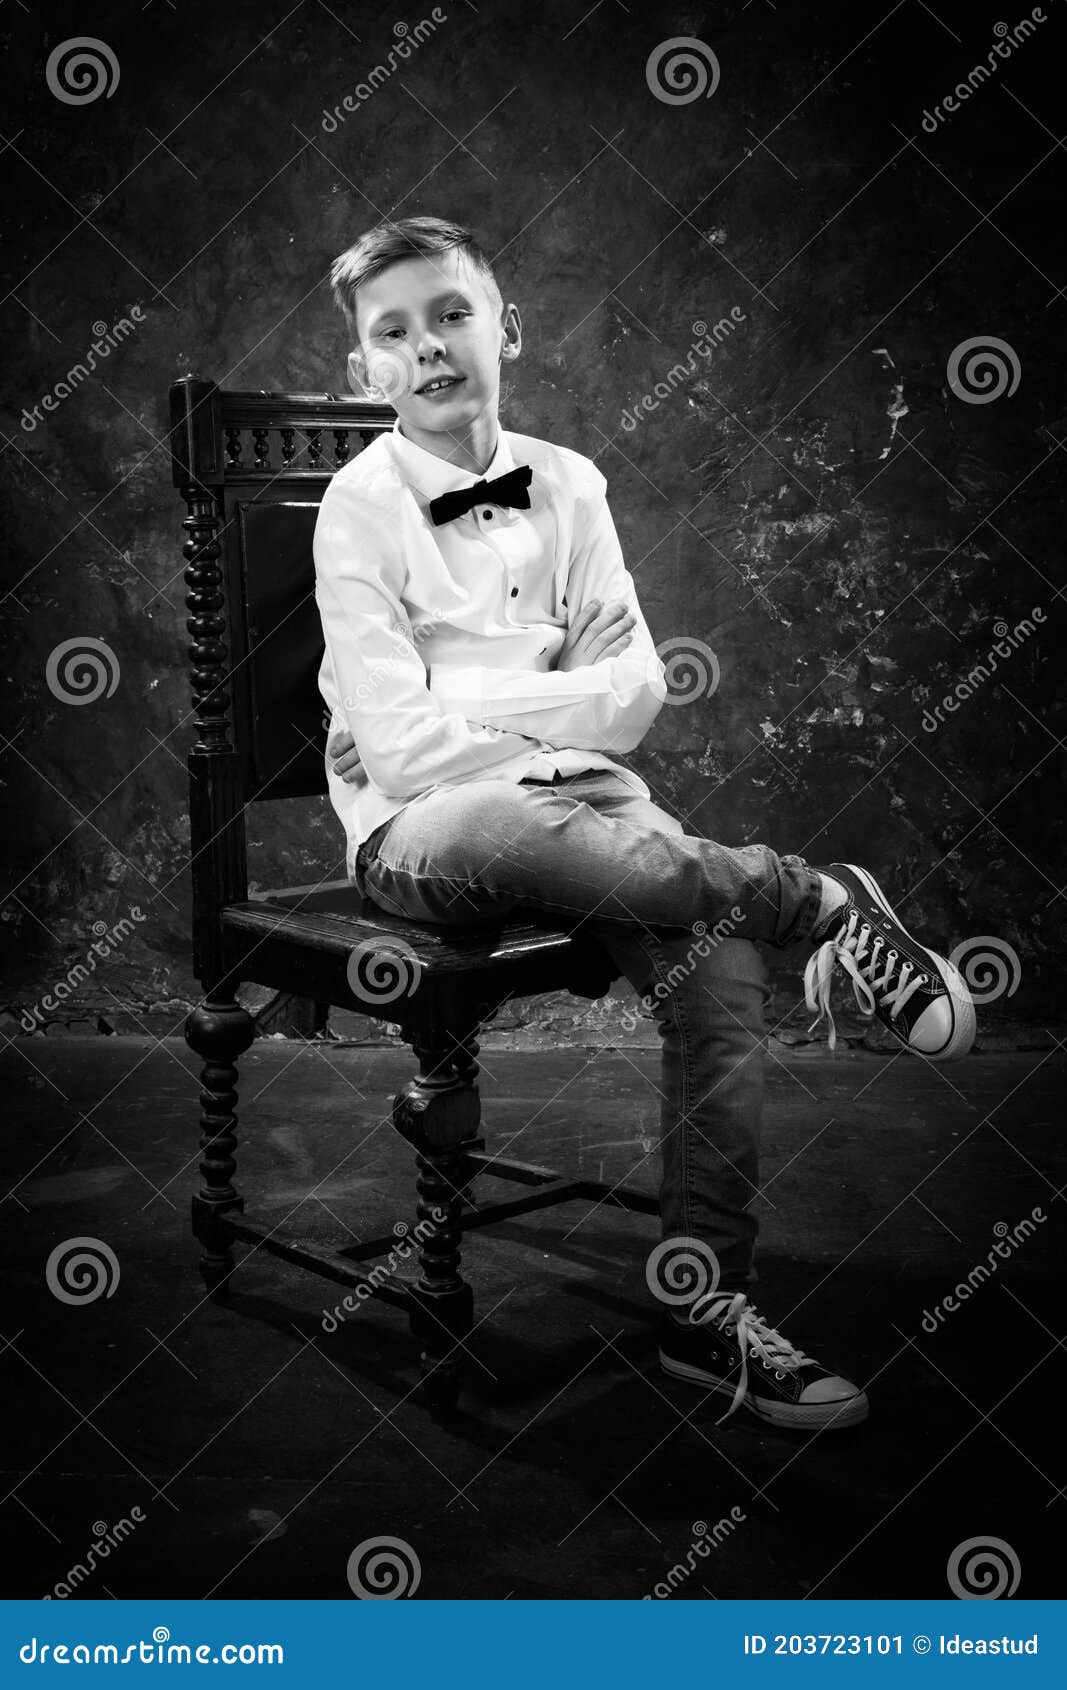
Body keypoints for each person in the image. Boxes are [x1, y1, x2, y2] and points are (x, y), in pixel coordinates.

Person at [313, 215, 975, 1434]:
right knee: (517, 830)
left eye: (449, 315)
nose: (427, 350)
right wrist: (544, 708)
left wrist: (457, 696)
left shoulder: (570, 483)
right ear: (367, 370)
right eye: (390, 333)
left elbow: (636, 699)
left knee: (713, 966)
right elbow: (399, 754)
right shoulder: (356, 511)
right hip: (422, 828)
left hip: (591, 803)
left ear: (503, 328)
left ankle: (702, 1306)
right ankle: (815, 899)